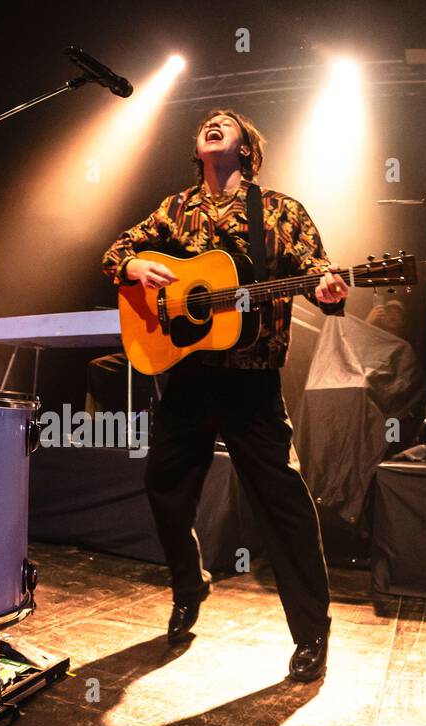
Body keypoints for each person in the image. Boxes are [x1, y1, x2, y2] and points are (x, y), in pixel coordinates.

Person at [101, 108, 348, 683]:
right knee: (163, 486)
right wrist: (135, 266)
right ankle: (189, 584)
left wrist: (328, 287)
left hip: (251, 381)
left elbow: (315, 268)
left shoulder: (280, 210)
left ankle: (312, 631)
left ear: (247, 149)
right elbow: (116, 251)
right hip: (188, 375)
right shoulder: (174, 208)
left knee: (284, 506)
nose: (213, 123)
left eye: (227, 122)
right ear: (198, 148)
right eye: (207, 122)